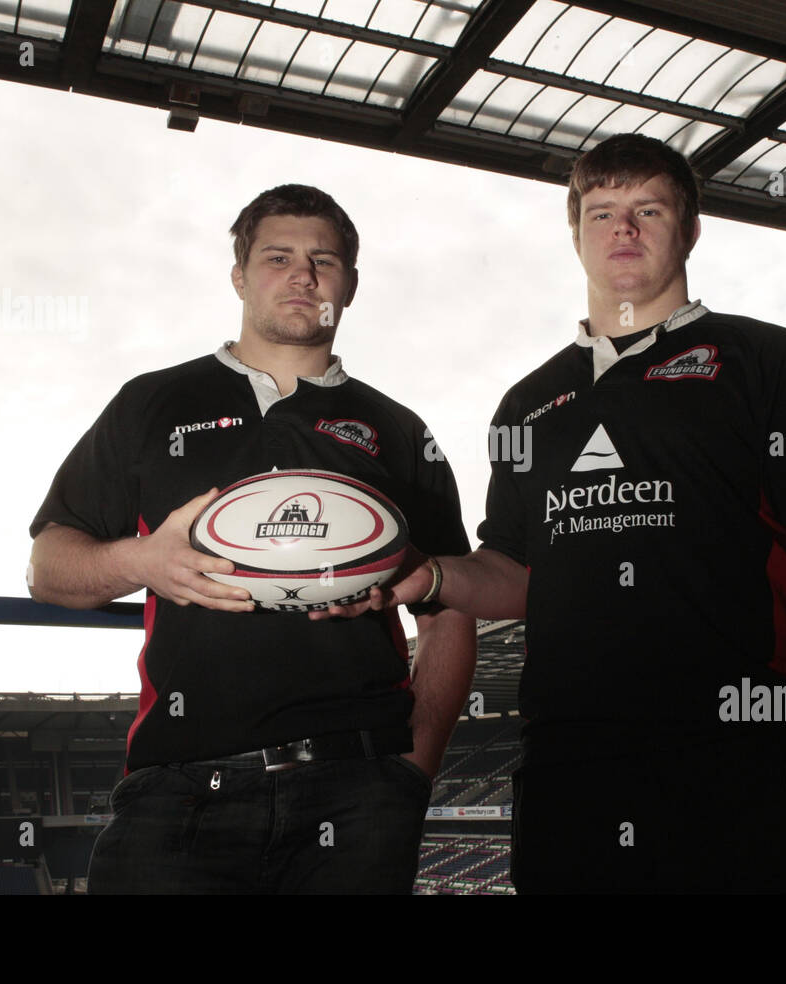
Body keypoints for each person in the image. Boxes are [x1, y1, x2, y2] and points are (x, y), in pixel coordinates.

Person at [317, 135, 786, 893]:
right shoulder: (527, 404)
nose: (623, 229)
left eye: (647, 209)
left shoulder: (765, 360)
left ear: (689, 230)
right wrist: (426, 577)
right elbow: (516, 573)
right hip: (569, 767)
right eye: (602, 213)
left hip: (736, 752)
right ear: (576, 235)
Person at [28, 184, 476, 894]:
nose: (303, 275)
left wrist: (414, 768)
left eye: (324, 261)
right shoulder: (151, 402)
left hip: (358, 787)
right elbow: (48, 567)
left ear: (350, 286)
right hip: (177, 790)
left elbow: (451, 603)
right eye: (277, 257)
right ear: (239, 275)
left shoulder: (397, 429)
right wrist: (140, 560)